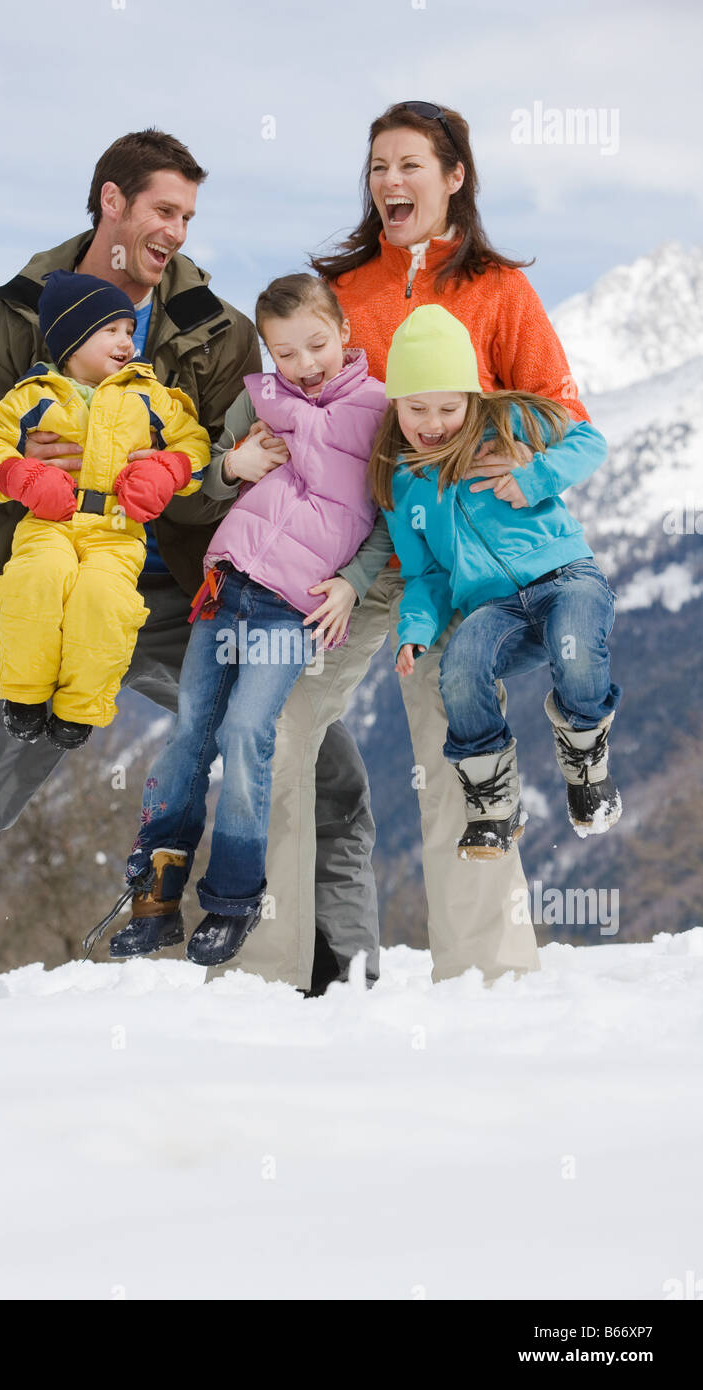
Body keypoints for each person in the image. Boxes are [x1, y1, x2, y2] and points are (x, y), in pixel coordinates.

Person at [0, 128, 376, 1005]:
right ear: (111, 202)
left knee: (323, 770)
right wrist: (18, 460)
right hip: (47, 592)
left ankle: (343, 975)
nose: (177, 230)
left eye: (188, 215)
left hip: (191, 598)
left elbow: (247, 465)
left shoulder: (217, 331)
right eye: (163, 210)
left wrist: (188, 472)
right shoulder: (11, 319)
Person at [213, 101, 598, 989]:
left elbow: (562, 413)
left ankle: (487, 972)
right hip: (342, 567)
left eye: (410, 165)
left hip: (450, 565)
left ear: (454, 175)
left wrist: (507, 461)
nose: (390, 181)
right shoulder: (342, 294)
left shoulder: (498, 289)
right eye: (377, 165)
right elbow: (284, 397)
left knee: (457, 748)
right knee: (273, 725)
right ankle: (261, 972)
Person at [106, 274, 385, 968]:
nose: (304, 365)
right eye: (285, 353)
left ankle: (233, 898)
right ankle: (156, 891)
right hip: (226, 589)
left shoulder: (382, 414)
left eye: (316, 345)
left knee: (247, 731)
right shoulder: (257, 402)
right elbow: (199, 482)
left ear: (344, 333)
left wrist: (352, 585)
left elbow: (391, 522)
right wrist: (234, 464)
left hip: (294, 607)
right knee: (190, 735)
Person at [376, 304, 621, 856]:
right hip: (494, 609)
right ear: (395, 403)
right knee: (460, 670)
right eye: (417, 407)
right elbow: (426, 573)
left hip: (564, 577)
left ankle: (586, 764)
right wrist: (416, 626)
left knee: (578, 649)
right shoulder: (404, 483)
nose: (433, 423)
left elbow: (590, 444)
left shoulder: (507, 421)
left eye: (448, 406)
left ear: (472, 397)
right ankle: (492, 804)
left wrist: (534, 477)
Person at [0, 269, 209, 750]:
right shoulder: (34, 396)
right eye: (111, 331)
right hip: (49, 522)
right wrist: (23, 474)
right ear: (72, 341)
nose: (127, 340)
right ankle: (25, 695)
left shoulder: (148, 395)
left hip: (117, 528)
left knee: (104, 599)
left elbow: (195, 443)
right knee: (36, 581)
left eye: (128, 329)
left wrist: (167, 470)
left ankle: (80, 706)